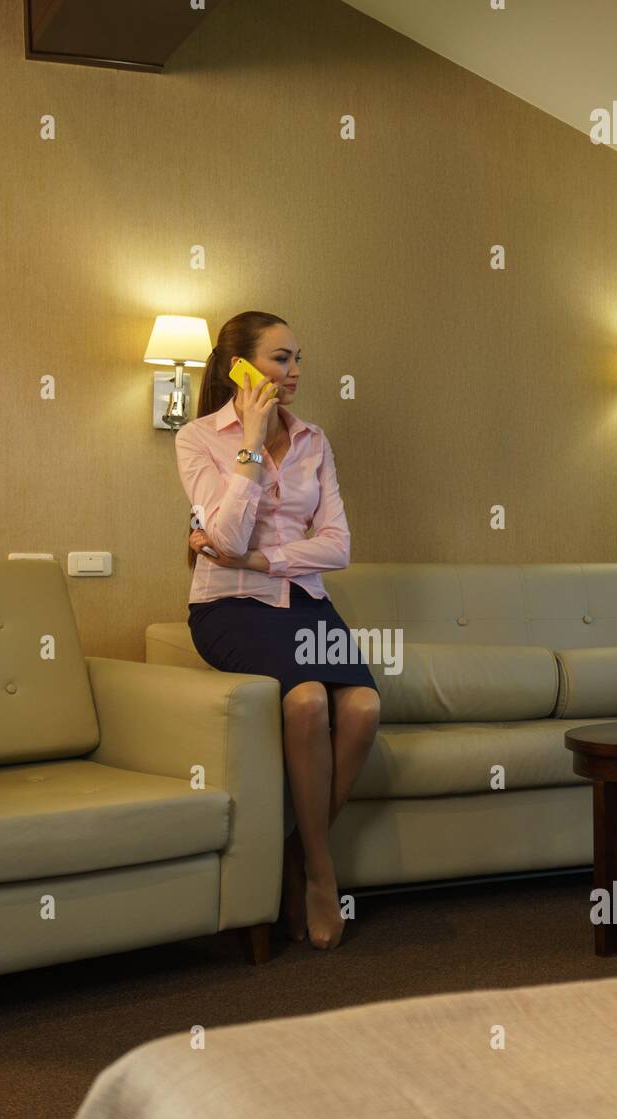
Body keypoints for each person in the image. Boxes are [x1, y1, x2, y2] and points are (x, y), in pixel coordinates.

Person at [176, 311, 381, 950]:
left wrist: (267, 559)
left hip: (302, 600)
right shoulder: (198, 439)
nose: (294, 373)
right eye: (280, 359)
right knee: (308, 698)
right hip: (230, 609)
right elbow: (225, 537)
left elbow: (338, 546)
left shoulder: (315, 441)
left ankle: (295, 849)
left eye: (298, 359)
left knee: (365, 706)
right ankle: (321, 873)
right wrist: (253, 441)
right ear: (240, 366)